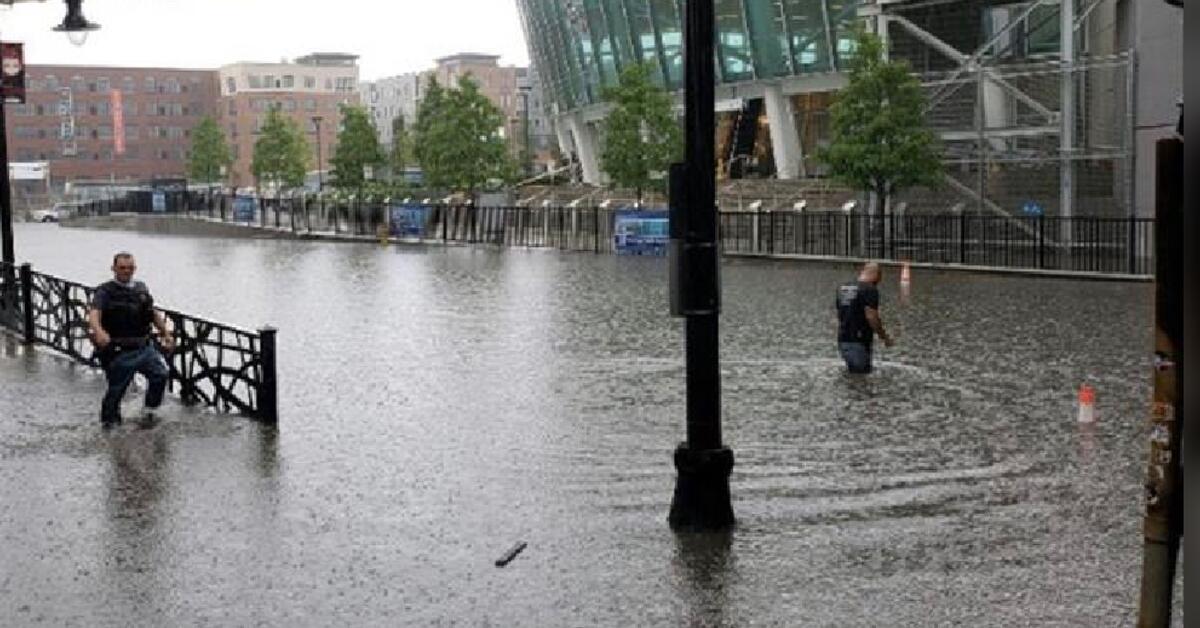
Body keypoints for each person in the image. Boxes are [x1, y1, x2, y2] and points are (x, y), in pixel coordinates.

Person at [87, 252, 175, 428]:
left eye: (130, 268)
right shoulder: (105, 291)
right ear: (114, 269)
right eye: (122, 268)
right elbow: (94, 314)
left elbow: (152, 313)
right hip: (118, 349)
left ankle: (150, 410)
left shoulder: (141, 288)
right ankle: (109, 422)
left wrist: (165, 332)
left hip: (143, 345)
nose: (126, 271)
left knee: (160, 374)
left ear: (135, 269)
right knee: (117, 388)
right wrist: (99, 331)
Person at [836, 262, 894, 374]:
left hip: (843, 340)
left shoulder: (843, 288)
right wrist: (884, 337)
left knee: (853, 376)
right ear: (876, 275)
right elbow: (871, 316)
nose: (878, 282)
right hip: (859, 341)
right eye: (879, 278)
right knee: (861, 377)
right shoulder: (869, 289)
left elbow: (839, 314)